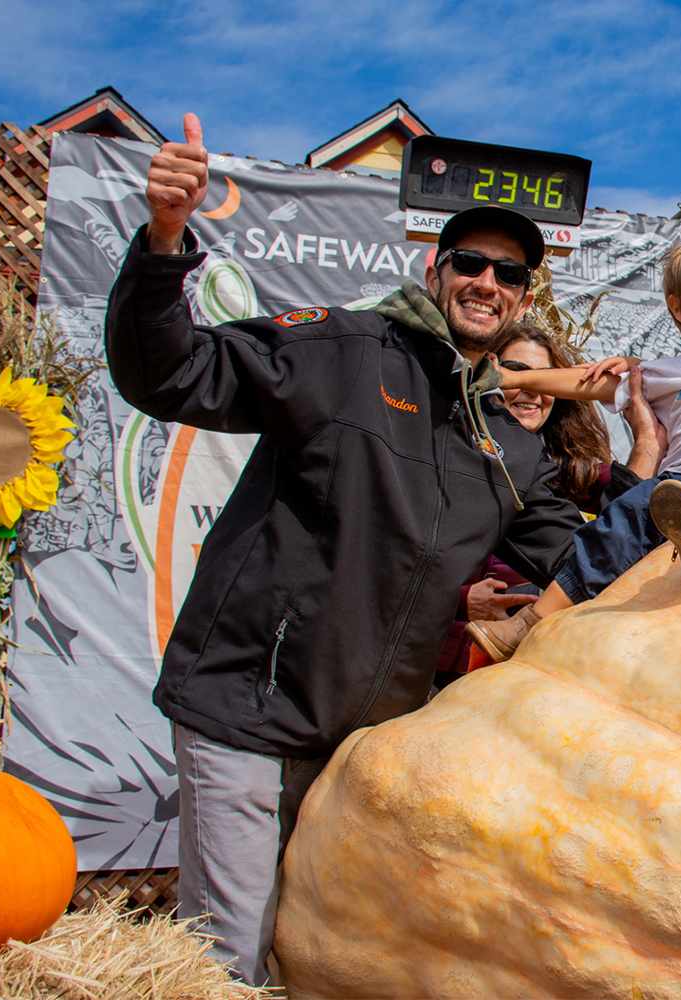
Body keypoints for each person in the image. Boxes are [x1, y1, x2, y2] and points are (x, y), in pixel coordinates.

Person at [104, 113, 583, 985]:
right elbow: (170, 371)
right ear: (434, 271)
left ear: (521, 298)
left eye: (507, 274)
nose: (486, 281)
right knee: (230, 955)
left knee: (318, 952)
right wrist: (166, 240)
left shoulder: (505, 442)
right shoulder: (343, 348)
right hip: (248, 706)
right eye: (468, 263)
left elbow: (571, 549)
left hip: (365, 747)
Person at [465, 235, 681, 663]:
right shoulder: (658, 372)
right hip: (674, 485)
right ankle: (531, 620)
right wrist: (515, 379)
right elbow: (586, 384)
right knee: (617, 520)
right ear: (678, 307)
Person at [434, 321, 665, 680]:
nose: (531, 389)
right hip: (443, 665)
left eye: (544, 379)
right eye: (516, 374)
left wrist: (647, 438)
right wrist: (461, 599)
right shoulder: (444, 455)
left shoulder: (567, 470)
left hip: (538, 669)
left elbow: (629, 526)